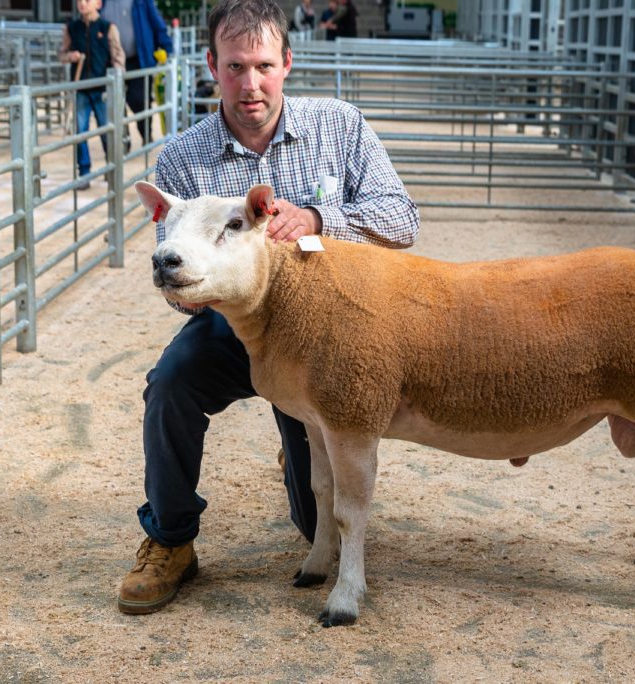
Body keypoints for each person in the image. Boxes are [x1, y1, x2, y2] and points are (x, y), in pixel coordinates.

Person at [117, 0, 419, 615]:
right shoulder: (183, 158)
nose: (249, 83)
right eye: (234, 67)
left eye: (262, 66)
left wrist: (319, 218)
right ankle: (170, 539)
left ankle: (302, 446)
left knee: (314, 528)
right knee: (170, 384)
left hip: (325, 338)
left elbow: (402, 221)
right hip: (232, 326)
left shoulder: (340, 126)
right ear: (212, 67)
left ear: (287, 62)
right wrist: (209, 285)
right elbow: (177, 282)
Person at [59, 0, 125, 189]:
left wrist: (117, 82)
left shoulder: (108, 28)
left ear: (98, 3)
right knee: (80, 132)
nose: (82, 3)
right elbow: (62, 54)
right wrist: (70, 57)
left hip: (103, 90)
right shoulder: (71, 28)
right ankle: (84, 173)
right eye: (79, 0)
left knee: (107, 131)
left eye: (87, 0)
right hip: (81, 89)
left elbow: (118, 57)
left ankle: (112, 169)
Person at [100, 0, 173, 150]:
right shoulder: (102, 3)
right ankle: (123, 139)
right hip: (111, 61)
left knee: (139, 99)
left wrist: (166, 47)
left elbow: (156, 22)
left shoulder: (141, 1)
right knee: (116, 102)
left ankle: (146, 133)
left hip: (138, 59)